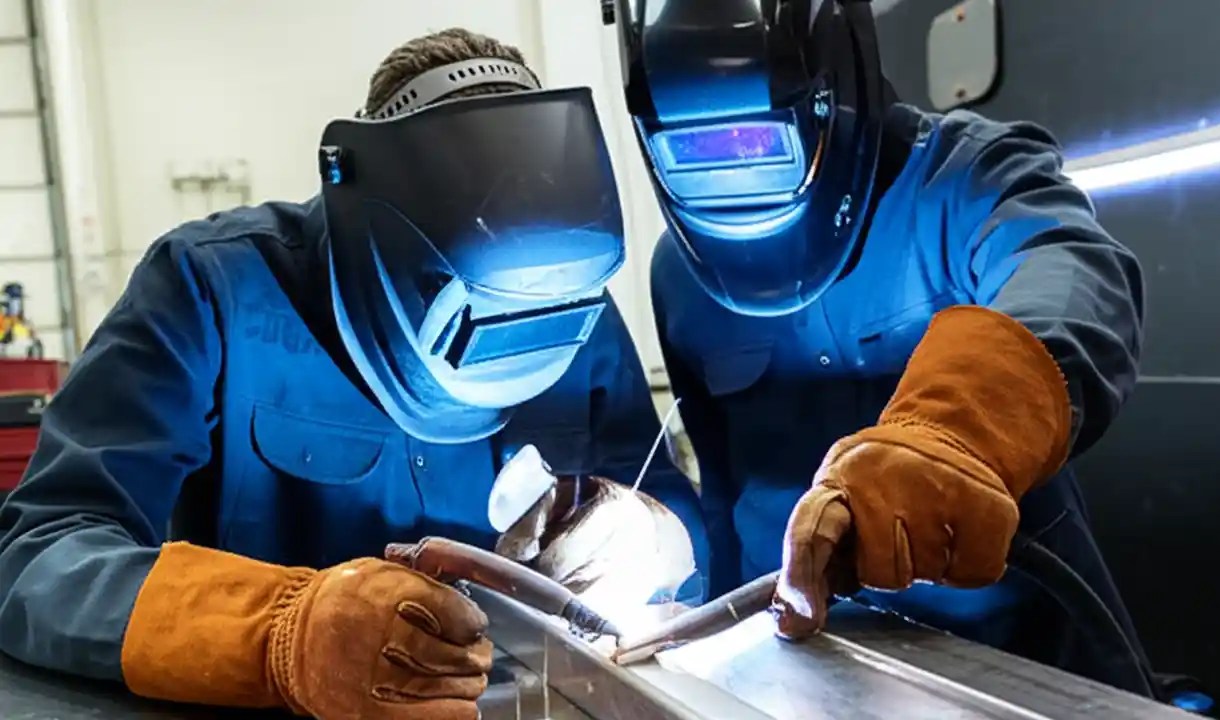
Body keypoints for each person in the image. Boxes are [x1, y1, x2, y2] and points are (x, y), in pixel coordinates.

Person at [0, 28, 706, 720]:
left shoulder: (575, 302)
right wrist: (274, 632)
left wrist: (650, 538)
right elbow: (38, 557)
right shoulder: (212, 289)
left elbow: (682, 531)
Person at [612, 0, 1151, 694]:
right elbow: (721, 493)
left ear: (834, 93)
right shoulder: (681, 276)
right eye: (691, 154)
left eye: (758, 143)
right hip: (806, 667)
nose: (735, 184)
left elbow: (1073, 273)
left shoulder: (964, 180)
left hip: (1020, 660)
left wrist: (953, 431)